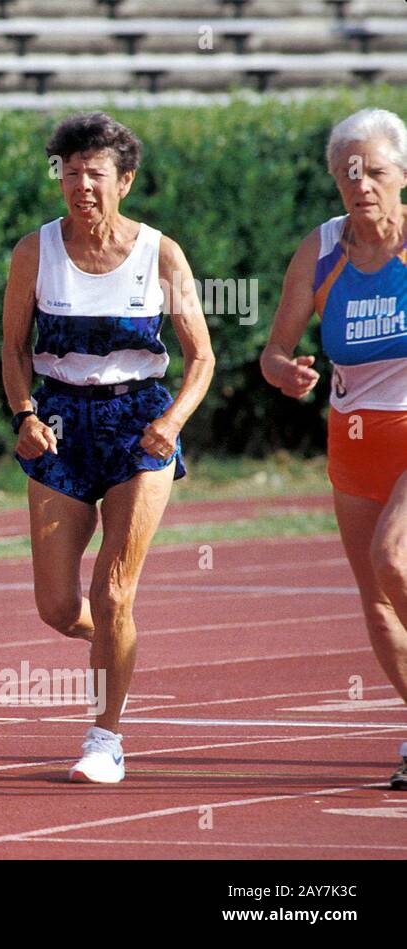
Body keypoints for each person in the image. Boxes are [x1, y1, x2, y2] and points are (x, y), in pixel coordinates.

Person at [1, 112, 215, 784]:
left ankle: (104, 736)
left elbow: (201, 355)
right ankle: (117, 647)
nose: (81, 184)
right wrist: (24, 412)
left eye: (95, 172)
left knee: (115, 590)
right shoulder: (34, 252)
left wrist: (174, 420)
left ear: (125, 179)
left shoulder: (162, 253)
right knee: (60, 607)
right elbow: (11, 348)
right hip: (60, 420)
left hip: (139, 420)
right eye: (70, 172)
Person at [261, 107, 407, 791]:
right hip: (351, 439)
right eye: (350, 173)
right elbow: (273, 349)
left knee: (393, 559)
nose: (363, 185)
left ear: (401, 175)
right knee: (375, 597)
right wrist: (284, 370)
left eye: (376, 170)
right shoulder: (320, 251)